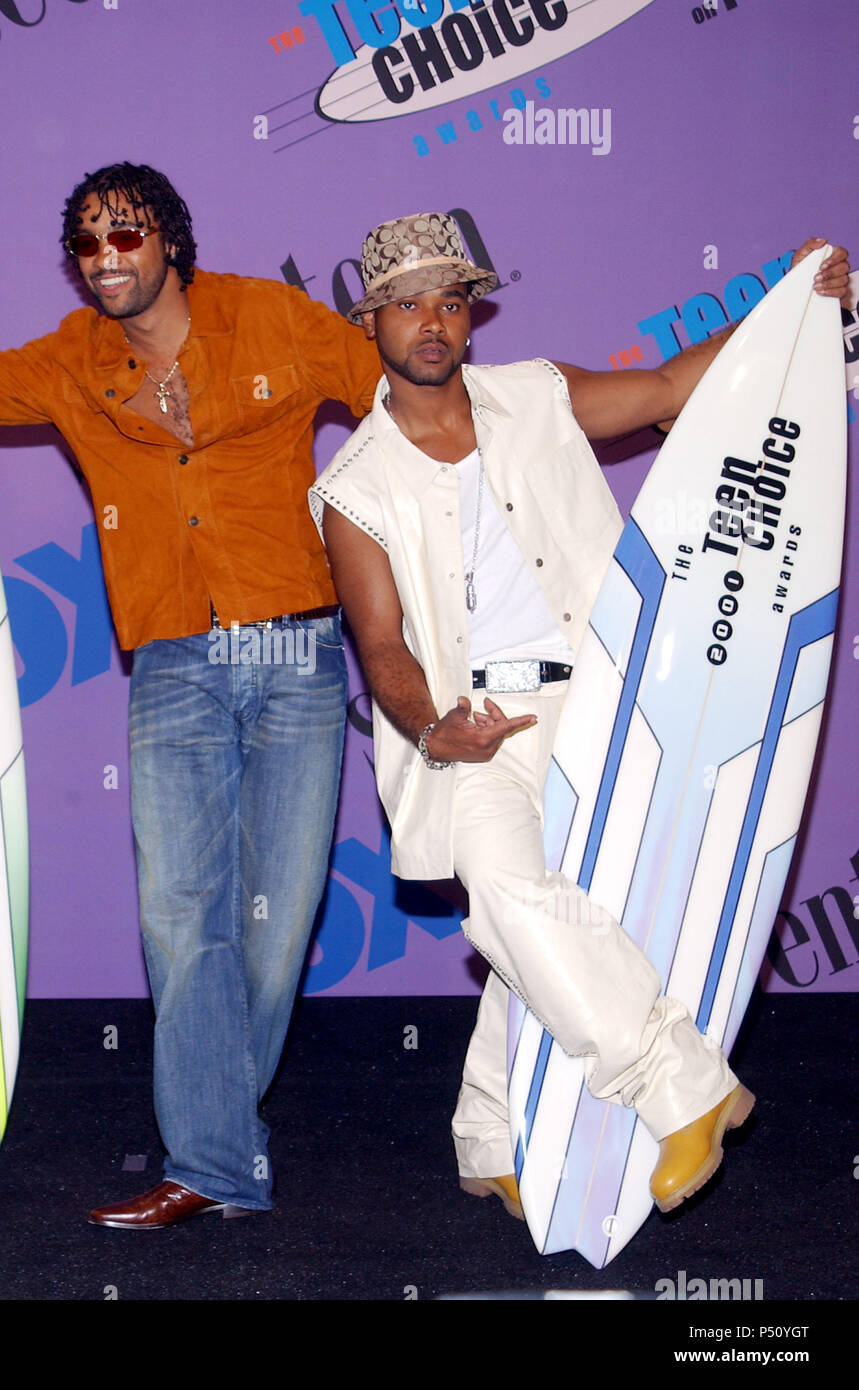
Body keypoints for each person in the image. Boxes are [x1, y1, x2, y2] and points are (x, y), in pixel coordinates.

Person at [0, 165, 380, 1227]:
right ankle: (213, 1161)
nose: (107, 256)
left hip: (297, 656)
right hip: (170, 664)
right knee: (181, 918)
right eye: (85, 244)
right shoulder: (69, 362)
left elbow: (399, 387)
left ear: (169, 237)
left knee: (274, 925)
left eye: (124, 233)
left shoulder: (272, 314)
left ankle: (220, 1127)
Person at [312, 212, 850, 1218]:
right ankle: (682, 1087)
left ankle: (484, 1135)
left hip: (603, 700)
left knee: (537, 926)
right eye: (409, 304)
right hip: (475, 729)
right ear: (372, 322)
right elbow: (381, 647)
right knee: (510, 895)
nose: (433, 321)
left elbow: (665, 391)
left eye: (451, 300)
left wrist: (788, 305)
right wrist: (434, 726)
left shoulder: (537, 396)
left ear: (470, 318)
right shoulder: (352, 488)